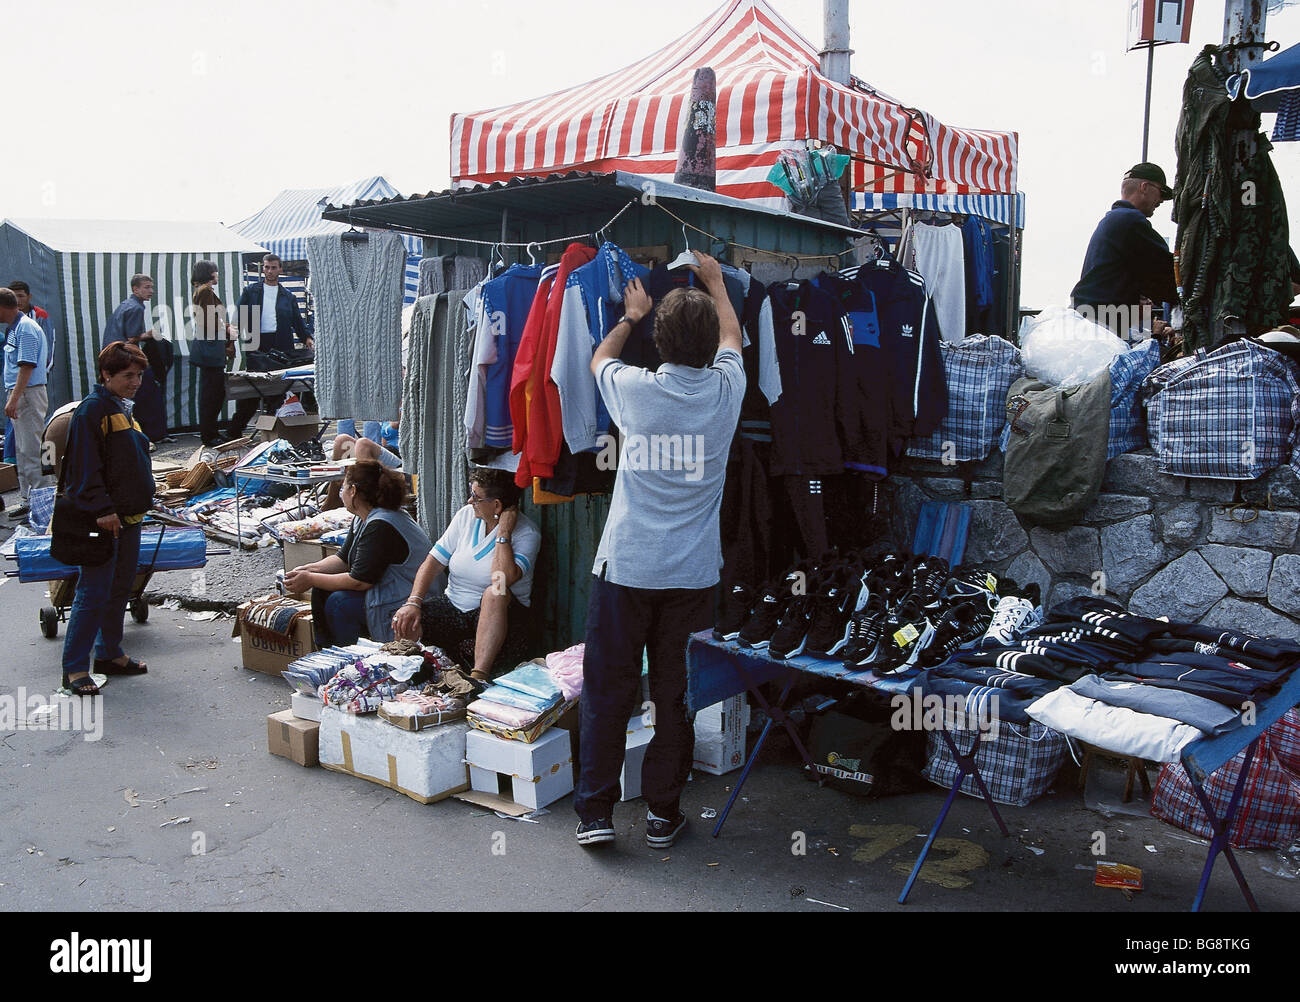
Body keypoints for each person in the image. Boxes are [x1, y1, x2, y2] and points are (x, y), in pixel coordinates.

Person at [572, 252, 744, 850]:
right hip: (691, 577)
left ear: (660, 342)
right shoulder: (726, 393)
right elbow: (733, 337)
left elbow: (600, 359)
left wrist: (630, 317)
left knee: (608, 691)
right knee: (674, 699)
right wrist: (719, 284)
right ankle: (663, 814)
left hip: (626, 569)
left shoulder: (636, 391)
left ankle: (595, 813)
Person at [58, 342, 156, 696]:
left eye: (139, 375)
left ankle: (110, 654)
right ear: (106, 375)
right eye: (128, 375)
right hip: (104, 521)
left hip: (129, 518)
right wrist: (103, 510)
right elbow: (84, 470)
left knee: (118, 590)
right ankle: (74, 669)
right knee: (93, 592)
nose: (136, 382)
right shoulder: (93, 410)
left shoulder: (121, 407)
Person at [391, 468, 540, 683]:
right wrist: (413, 602)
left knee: (494, 591)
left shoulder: (527, 533)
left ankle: (478, 677)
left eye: (477, 497)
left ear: (497, 505)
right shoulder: (466, 516)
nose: (470, 501)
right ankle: (409, 676)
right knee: (407, 621)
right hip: (454, 606)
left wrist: (503, 533)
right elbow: (433, 561)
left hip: (501, 616)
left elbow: (502, 578)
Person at [284, 460, 430, 648]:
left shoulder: (381, 525)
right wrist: (307, 570)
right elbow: (342, 560)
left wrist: (311, 578)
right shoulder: (363, 518)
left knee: (339, 603)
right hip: (387, 590)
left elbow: (360, 581)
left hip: (405, 598)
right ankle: (325, 653)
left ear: (352, 491)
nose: (341, 492)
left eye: (342, 487)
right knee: (322, 588)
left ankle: (349, 659)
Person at [1071, 163, 1179, 339]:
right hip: (1103, 323)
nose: (1161, 201)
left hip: (1090, 317)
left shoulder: (1113, 219)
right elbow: (1166, 274)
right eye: (1161, 193)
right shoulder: (1130, 221)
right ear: (1145, 187)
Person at [230, 254, 314, 438]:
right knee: (253, 388)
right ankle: (235, 429)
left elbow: (297, 322)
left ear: (280, 269)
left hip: (281, 345)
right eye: (267, 267)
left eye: (273, 267)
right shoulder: (250, 291)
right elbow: (238, 317)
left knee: (278, 389)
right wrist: (232, 337)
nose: (269, 271)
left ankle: (274, 431)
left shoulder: (288, 296)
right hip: (257, 345)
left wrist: (307, 337)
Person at [2, 287, 51, 520]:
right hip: (21, 393)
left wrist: (13, 399)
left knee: (33, 449)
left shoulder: (26, 329)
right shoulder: (14, 329)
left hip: (28, 393)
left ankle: (43, 501)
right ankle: (28, 499)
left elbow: (27, 366)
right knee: (22, 450)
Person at [103, 274, 170, 444]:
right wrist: (149, 334)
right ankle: (154, 434)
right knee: (150, 393)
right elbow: (131, 339)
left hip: (113, 356)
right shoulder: (136, 308)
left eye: (151, 287)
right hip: (124, 357)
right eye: (147, 287)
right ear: (135, 289)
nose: (151, 291)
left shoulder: (126, 305)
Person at [188, 261, 237, 446]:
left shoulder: (202, 290)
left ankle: (211, 431)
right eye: (215, 271)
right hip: (209, 350)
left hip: (210, 349)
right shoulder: (205, 291)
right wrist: (227, 330)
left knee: (213, 393)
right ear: (209, 273)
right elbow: (208, 321)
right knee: (212, 395)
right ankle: (209, 434)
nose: (217, 274)